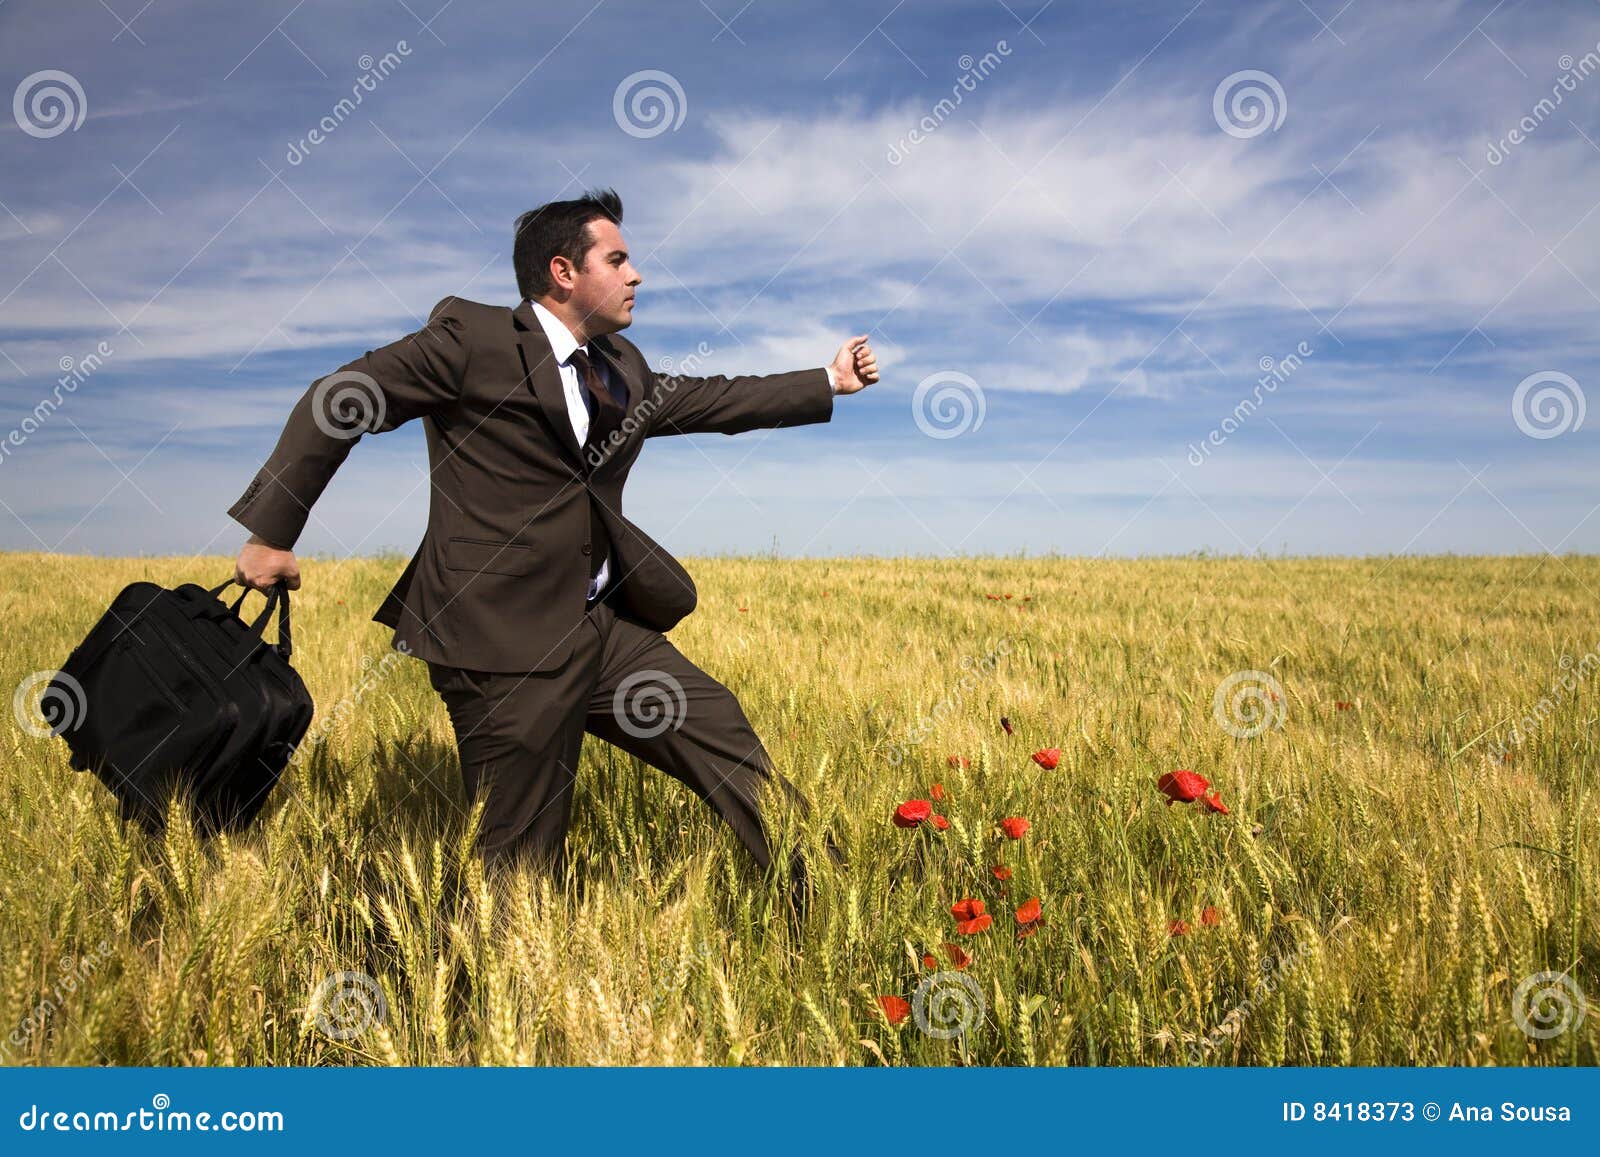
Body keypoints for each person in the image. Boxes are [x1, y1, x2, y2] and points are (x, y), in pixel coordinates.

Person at [228, 188, 878, 922]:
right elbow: (340, 396)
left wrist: (827, 381)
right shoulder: (469, 341)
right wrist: (272, 531)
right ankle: (461, 993)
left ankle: (832, 915)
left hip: (598, 631)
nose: (637, 276)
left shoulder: (619, 365)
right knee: (519, 860)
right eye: (619, 258)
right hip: (501, 642)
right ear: (564, 271)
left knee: (716, 726)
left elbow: (709, 400)